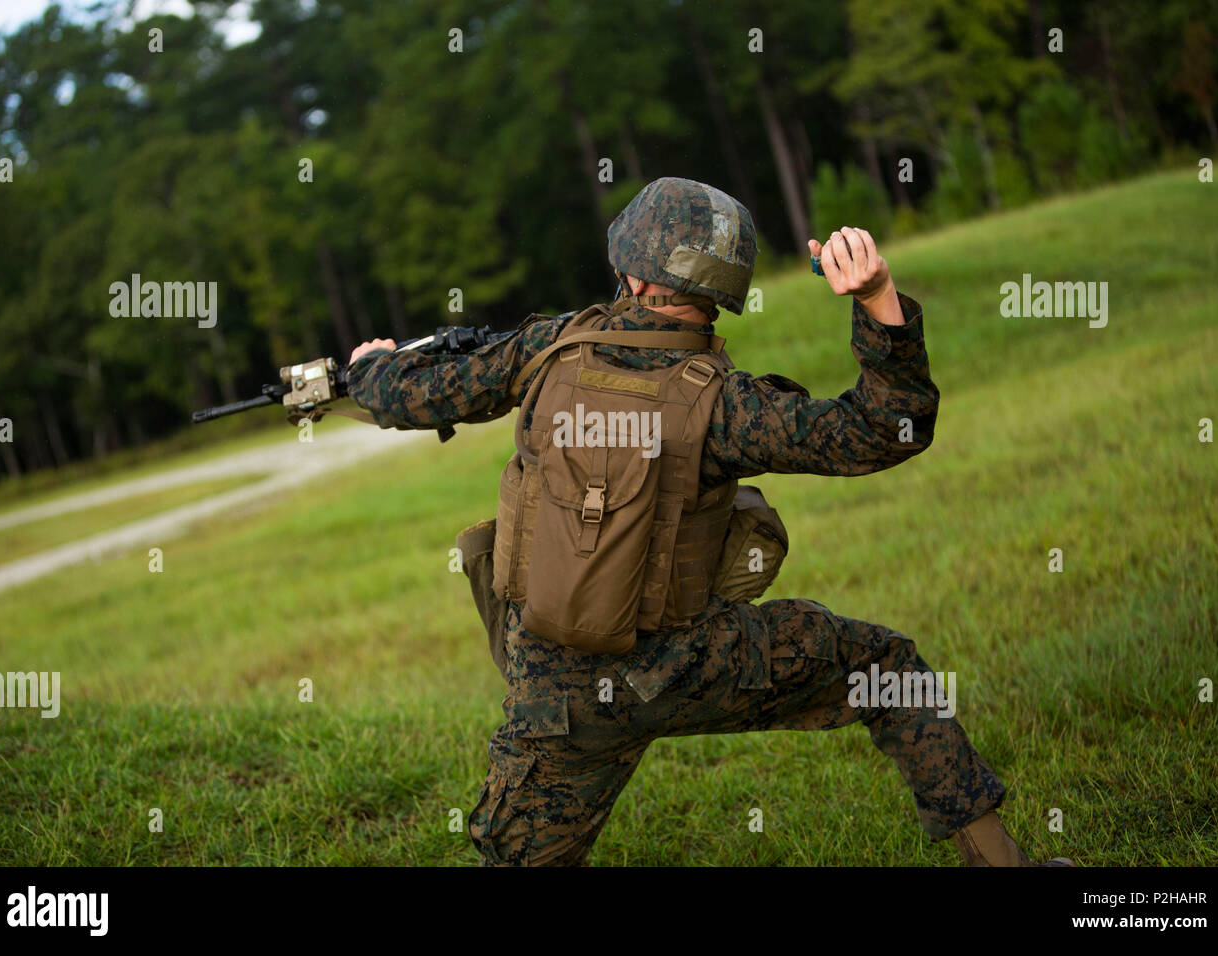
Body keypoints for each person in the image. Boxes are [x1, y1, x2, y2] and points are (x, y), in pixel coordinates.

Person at [345, 177, 1072, 868]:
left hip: (558, 696)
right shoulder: (726, 404)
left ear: (629, 270)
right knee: (885, 669)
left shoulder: (547, 349)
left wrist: (371, 369)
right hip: (688, 666)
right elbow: (886, 432)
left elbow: (421, 396)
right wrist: (879, 299)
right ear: (722, 292)